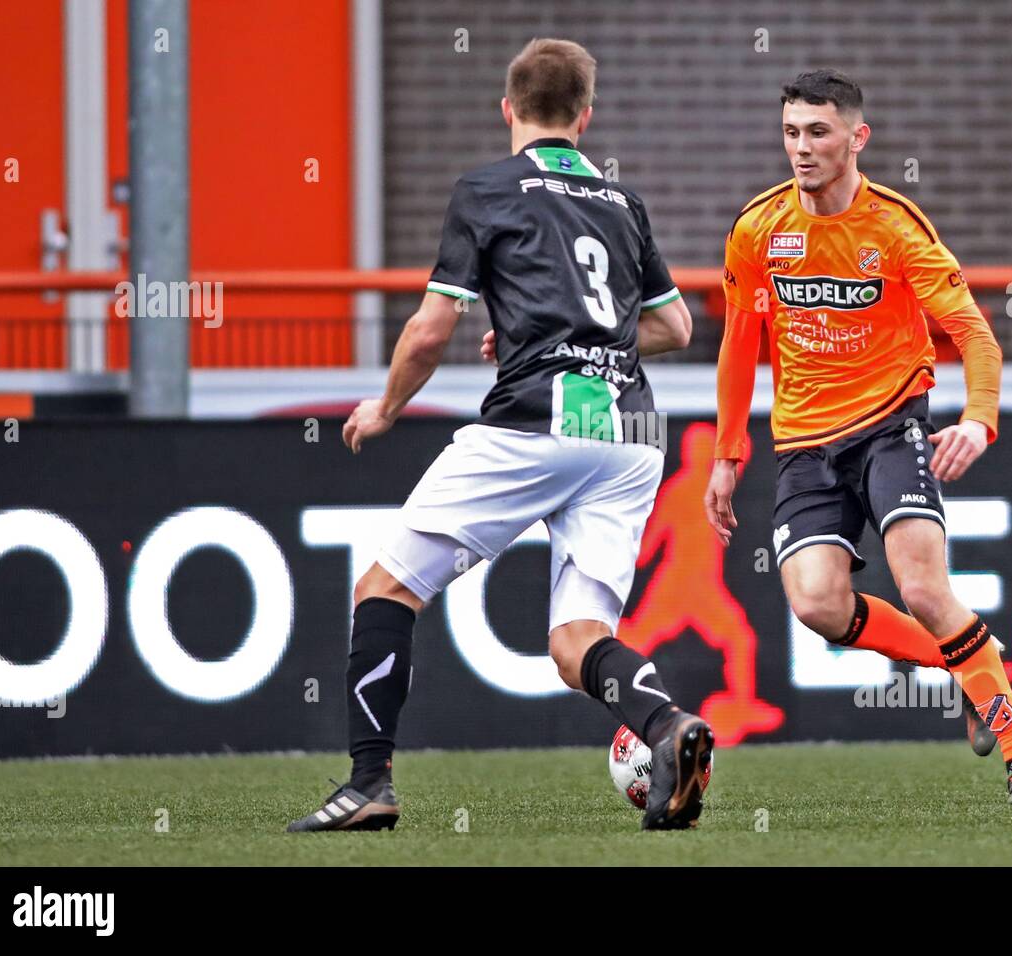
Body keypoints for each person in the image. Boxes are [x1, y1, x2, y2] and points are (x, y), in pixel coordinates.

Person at [288, 38, 713, 833]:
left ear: (507, 108)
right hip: (628, 435)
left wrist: (384, 406)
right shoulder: (624, 204)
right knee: (577, 641)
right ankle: (667, 729)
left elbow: (428, 330)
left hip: (533, 424)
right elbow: (675, 326)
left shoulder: (486, 189)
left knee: (383, 588)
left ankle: (368, 784)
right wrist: (553, 338)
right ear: (586, 117)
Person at [704, 69, 1012, 805]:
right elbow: (740, 345)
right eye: (791, 132)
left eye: (818, 132)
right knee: (816, 607)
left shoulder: (896, 227)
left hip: (892, 427)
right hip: (804, 444)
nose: (801, 148)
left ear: (856, 138)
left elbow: (974, 335)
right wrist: (728, 455)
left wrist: (978, 417)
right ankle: (969, 663)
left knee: (926, 589)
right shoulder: (757, 230)